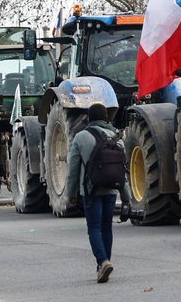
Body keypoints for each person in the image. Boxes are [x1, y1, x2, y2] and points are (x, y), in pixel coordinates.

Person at [67, 103, 131, 283]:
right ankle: (105, 263)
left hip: (90, 190)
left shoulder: (81, 137)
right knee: (106, 228)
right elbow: (122, 170)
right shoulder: (117, 138)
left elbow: (73, 170)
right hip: (111, 189)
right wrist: (126, 198)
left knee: (94, 228)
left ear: (88, 117)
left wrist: (71, 195)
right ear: (106, 118)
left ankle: (103, 262)